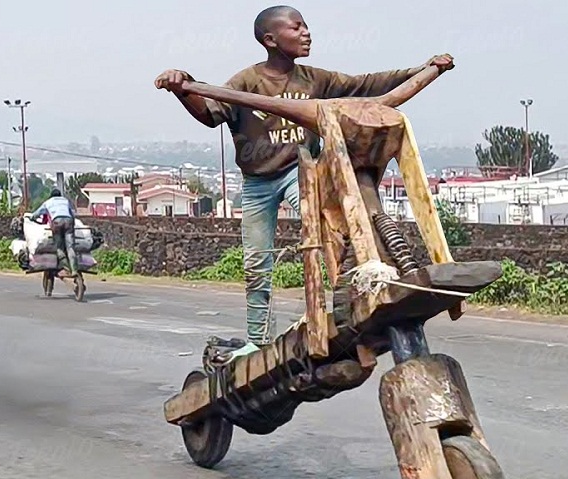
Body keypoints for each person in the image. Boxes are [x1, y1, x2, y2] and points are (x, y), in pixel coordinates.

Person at [155, 5, 454, 359]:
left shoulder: (315, 81)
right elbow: (209, 113)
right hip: (258, 183)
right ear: (270, 40)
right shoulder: (246, 82)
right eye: (296, 28)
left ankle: (352, 298)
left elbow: (366, 84)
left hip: (302, 175)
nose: (306, 33)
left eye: (305, 26)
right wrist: (182, 88)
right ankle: (258, 339)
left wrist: (423, 68)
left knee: (334, 230)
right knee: (256, 261)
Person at [30, 189, 79, 278]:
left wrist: (32, 217)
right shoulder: (65, 201)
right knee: (70, 247)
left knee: (59, 247)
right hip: (69, 222)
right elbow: (72, 213)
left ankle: (66, 268)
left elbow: (38, 213)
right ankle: (74, 270)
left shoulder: (48, 202)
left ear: (51, 196)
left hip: (57, 222)